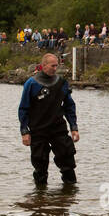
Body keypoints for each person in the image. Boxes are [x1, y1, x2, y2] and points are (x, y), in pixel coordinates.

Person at [18, 53, 79, 186]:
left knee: (67, 161)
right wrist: (24, 131)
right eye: (52, 66)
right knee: (40, 166)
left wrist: (74, 128)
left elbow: (69, 106)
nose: (55, 68)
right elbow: (23, 108)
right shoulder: (32, 83)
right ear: (44, 66)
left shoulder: (61, 83)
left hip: (58, 128)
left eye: (57, 66)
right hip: (38, 129)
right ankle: (40, 200)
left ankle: (70, 196)